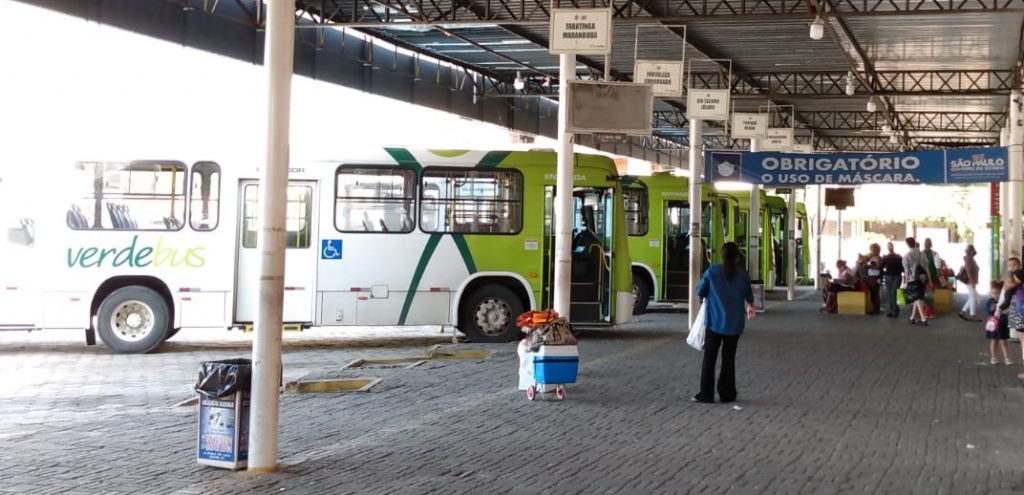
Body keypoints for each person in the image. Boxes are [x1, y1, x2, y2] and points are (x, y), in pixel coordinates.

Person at [692, 242, 755, 404]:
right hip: (734, 324)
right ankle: (727, 394)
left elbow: (700, 291)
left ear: (722, 255)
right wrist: (750, 306)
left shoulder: (712, 271)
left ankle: (706, 394)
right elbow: (748, 294)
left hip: (714, 322)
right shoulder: (742, 275)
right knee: (729, 359)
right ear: (737, 257)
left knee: (709, 358)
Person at [998, 257, 1024, 377]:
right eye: (1010, 265)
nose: (1012, 267)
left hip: (1020, 310)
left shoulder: (1019, 274)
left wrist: (1002, 306)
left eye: (1014, 265)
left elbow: (1008, 287)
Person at [903, 237, 932, 326]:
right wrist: (930, 279)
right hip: (923, 278)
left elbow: (907, 271)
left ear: (907, 245)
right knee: (917, 297)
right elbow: (927, 267)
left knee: (917, 298)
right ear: (915, 243)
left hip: (912, 279)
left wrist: (906, 282)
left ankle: (923, 319)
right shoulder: (922, 254)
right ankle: (912, 317)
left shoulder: (906, 256)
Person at [984, 280, 1013, 365]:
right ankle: (993, 357)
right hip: (993, 325)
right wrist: (991, 309)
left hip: (1003, 323)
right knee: (994, 341)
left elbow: (1008, 310)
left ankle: (1007, 358)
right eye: (993, 293)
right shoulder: (990, 302)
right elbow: (988, 312)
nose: (995, 295)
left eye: (997, 293)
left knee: (1003, 341)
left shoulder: (1004, 302)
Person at [882, 241, 904, 318]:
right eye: (888, 246)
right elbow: (882, 266)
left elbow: (902, 267)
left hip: (895, 276)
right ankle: (892, 311)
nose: (890, 247)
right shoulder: (886, 257)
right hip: (891, 276)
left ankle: (894, 311)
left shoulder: (898, 256)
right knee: (890, 293)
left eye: (890, 246)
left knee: (893, 293)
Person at [958, 245, 980, 322]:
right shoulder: (969, 259)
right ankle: (973, 315)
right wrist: (972, 282)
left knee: (971, 297)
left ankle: (962, 312)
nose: (975, 251)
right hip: (970, 281)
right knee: (973, 298)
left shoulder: (969, 259)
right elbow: (968, 271)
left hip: (970, 281)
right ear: (971, 251)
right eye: (973, 250)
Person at [866, 243, 883, 315]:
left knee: (876, 293)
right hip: (870, 275)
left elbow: (878, 267)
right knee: (872, 293)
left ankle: (877, 309)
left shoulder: (879, 258)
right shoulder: (871, 257)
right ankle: (873, 308)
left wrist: (869, 267)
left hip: (876, 276)